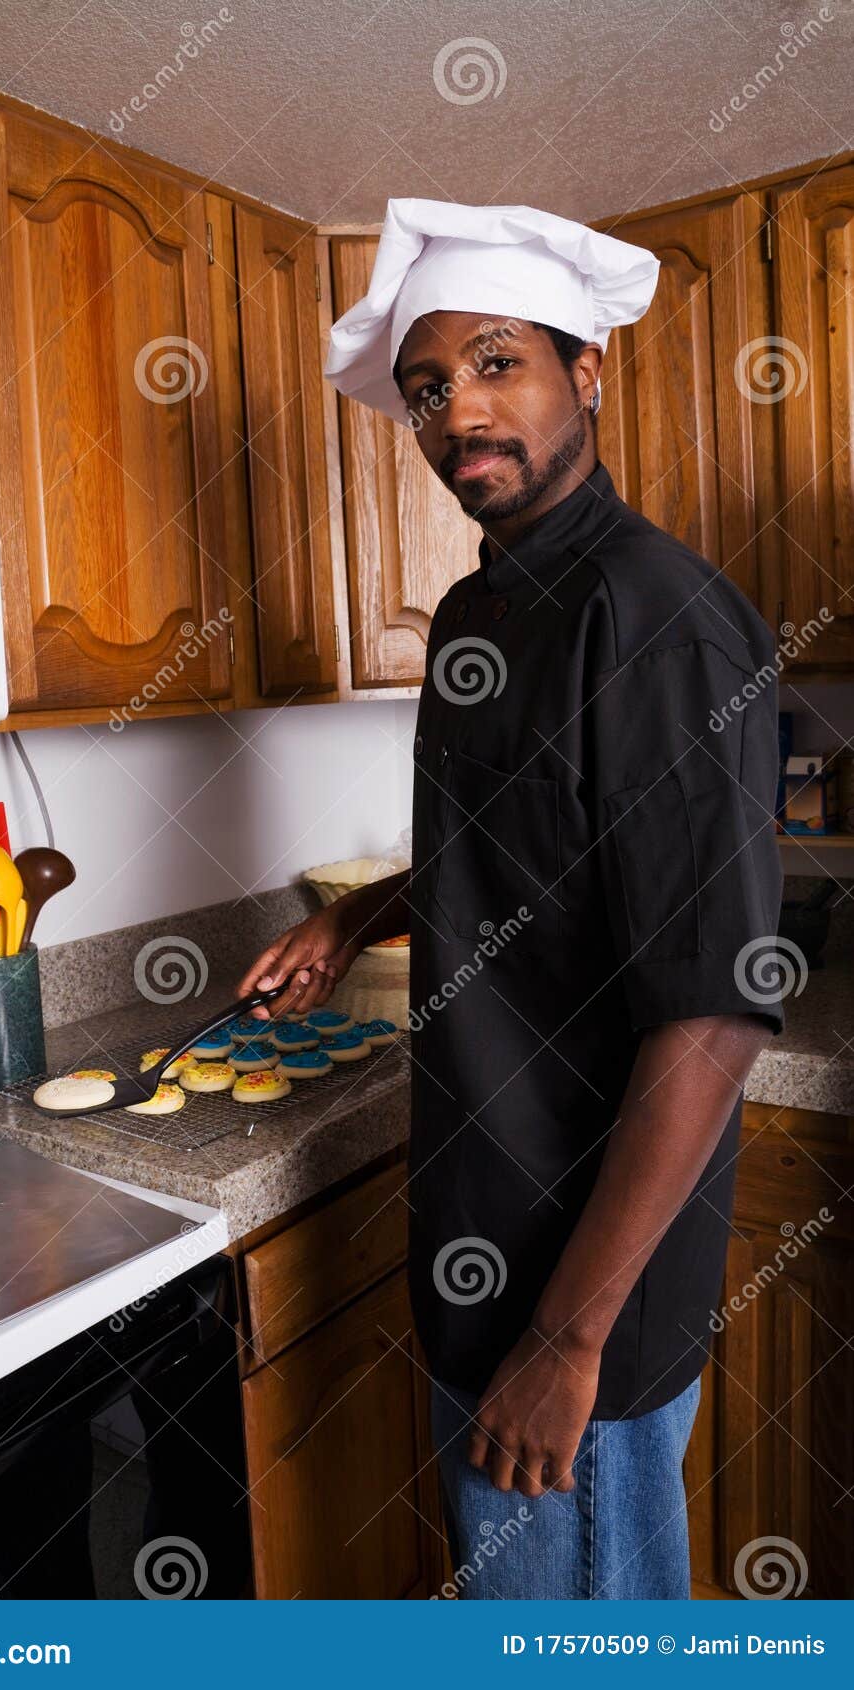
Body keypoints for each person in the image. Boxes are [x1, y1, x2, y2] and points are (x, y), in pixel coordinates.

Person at [236, 200, 785, 1601]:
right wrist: (354, 917)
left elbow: (716, 1021)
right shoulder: (484, 612)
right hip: (486, 1241)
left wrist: (562, 1342)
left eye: (496, 365)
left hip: (577, 1293)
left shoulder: (656, 620)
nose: (457, 412)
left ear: (585, 372)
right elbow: (530, 847)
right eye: (428, 388)